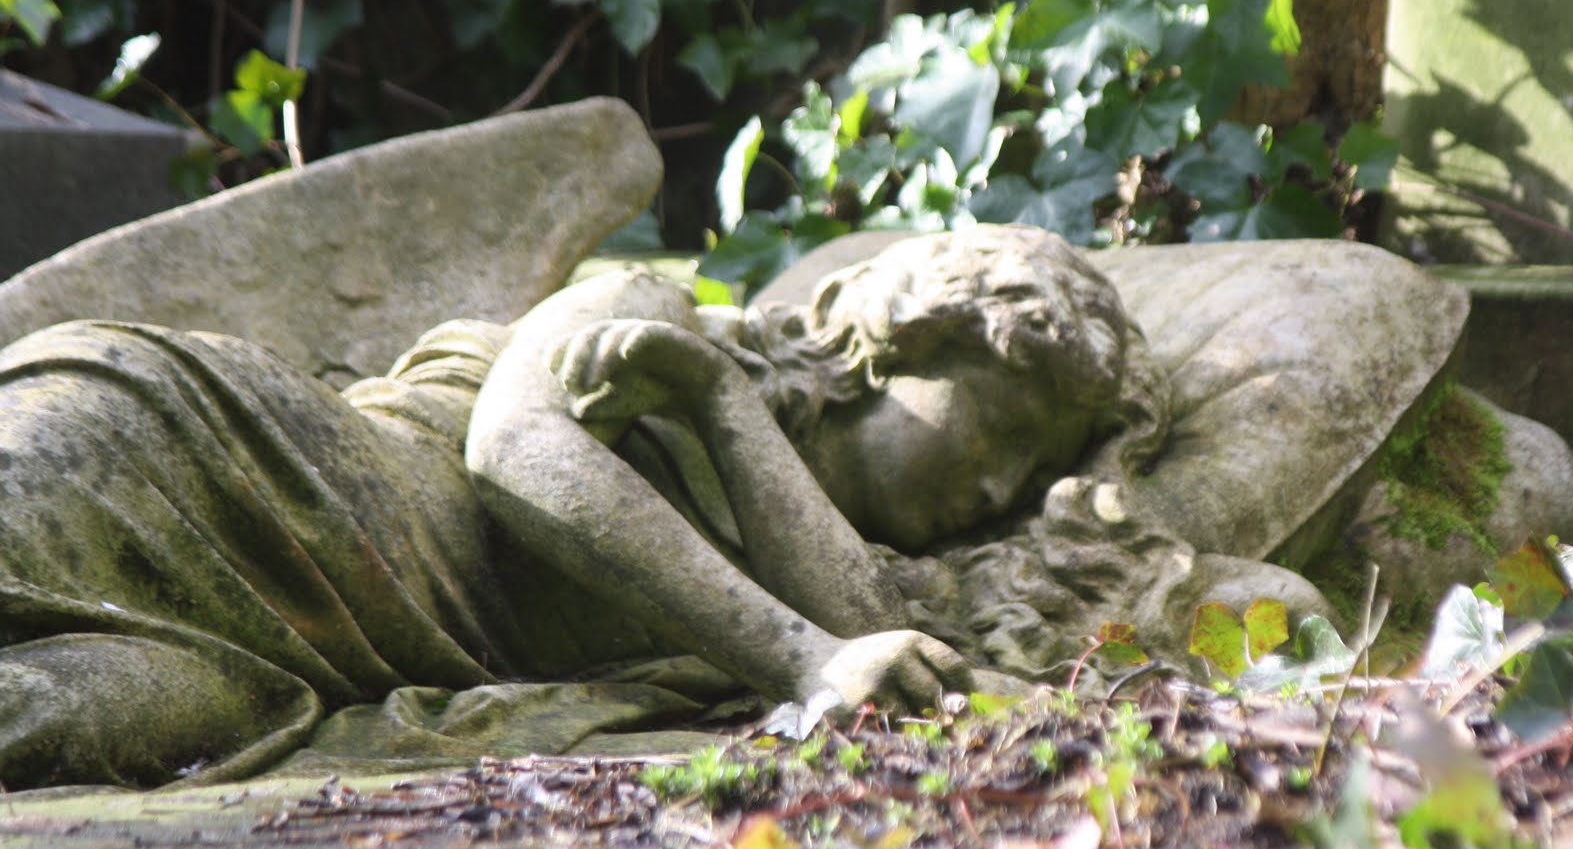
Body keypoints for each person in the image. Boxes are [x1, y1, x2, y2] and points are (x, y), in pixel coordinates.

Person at [0, 224, 1157, 789]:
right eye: (1002, 421)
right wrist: (800, 655)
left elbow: (849, 625)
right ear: (893, 338)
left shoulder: (845, 569)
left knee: (81, 723)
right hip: (220, 457)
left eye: (1033, 460)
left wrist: (722, 410)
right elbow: (514, 452)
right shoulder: (644, 305)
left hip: (298, 660)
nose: (1002, 484)